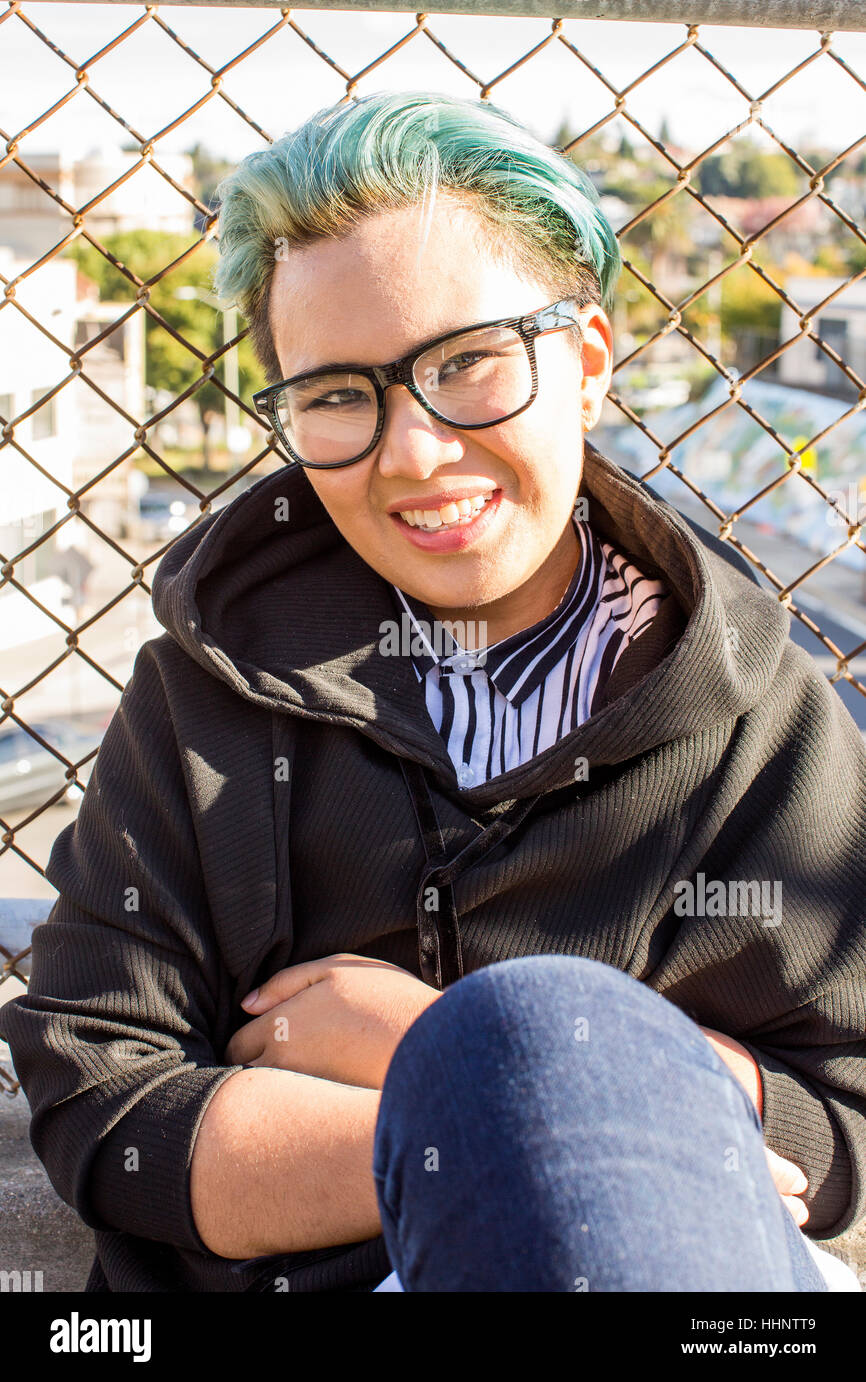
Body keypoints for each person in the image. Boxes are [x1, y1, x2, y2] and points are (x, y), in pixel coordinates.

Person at [1, 89, 864, 1294]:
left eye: (466, 363)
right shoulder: (204, 702)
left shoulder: (758, 723)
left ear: (587, 364)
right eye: (339, 395)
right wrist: (550, 1128)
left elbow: (841, 1118)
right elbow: (100, 1089)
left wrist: (427, 1055)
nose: (411, 454)